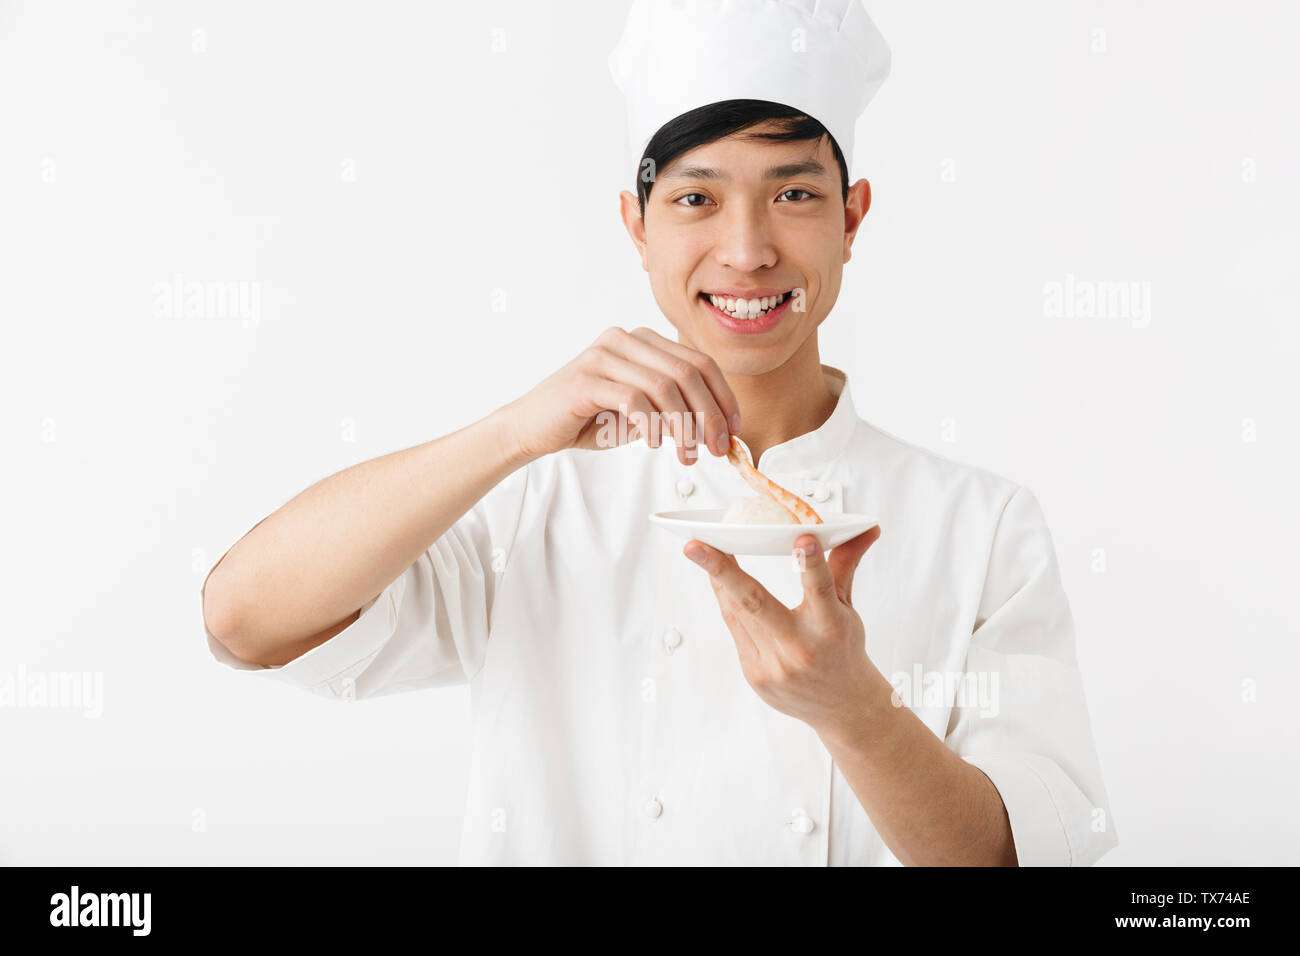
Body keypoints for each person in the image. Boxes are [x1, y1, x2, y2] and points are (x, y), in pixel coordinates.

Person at [201, 0, 1117, 866]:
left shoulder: (981, 526)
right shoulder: (534, 496)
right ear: (635, 226)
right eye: (695, 199)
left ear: (851, 218)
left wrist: (856, 712)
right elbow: (246, 621)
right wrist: (513, 432)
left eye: (795, 194)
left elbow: (1014, 855)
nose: (748, 251)